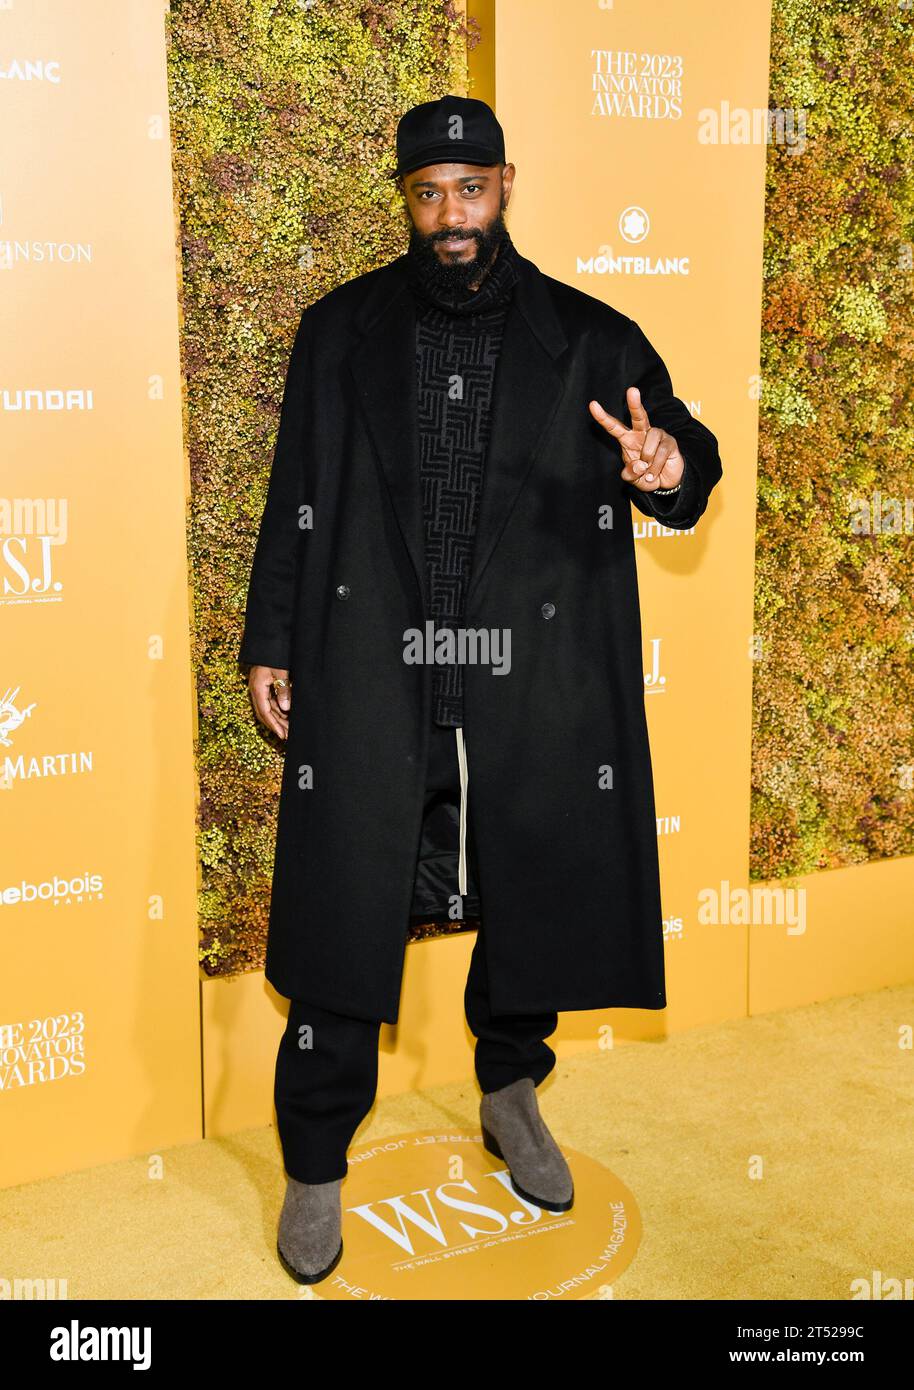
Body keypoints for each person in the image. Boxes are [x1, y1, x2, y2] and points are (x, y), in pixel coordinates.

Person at [239, 95, 723, 1283]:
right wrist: (271, 638)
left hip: (529, 665)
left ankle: (509, 1087)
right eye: (427, 192)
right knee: (346, 898)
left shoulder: (591, 337)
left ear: (506, 183)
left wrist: (668, 469)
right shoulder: (338, 331)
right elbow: (292, 497)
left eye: (470, 187)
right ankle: (314, 1157)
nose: (450, 213)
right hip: (372, 664)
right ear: (405, 200)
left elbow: (685, 452)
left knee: (537, 877)